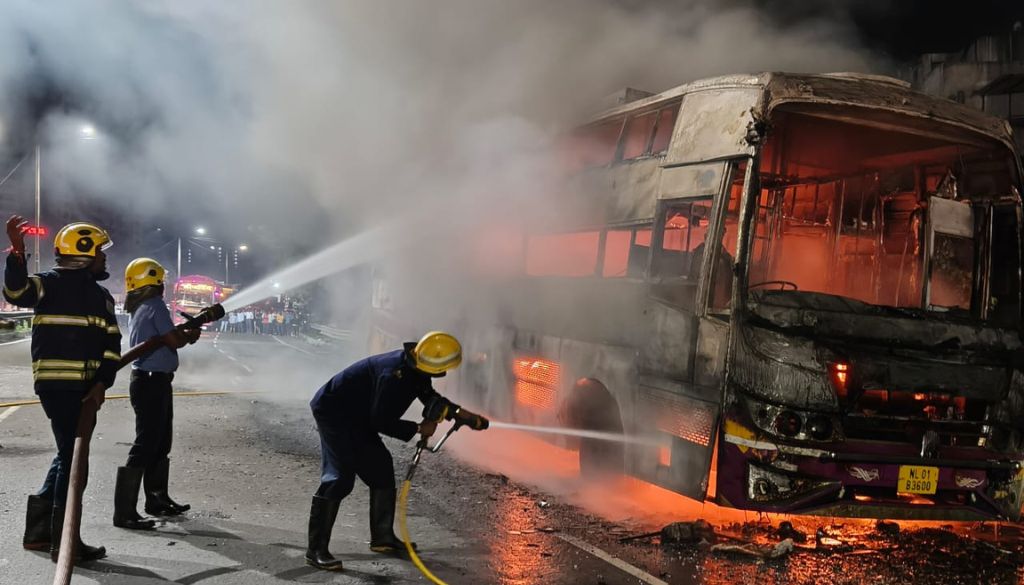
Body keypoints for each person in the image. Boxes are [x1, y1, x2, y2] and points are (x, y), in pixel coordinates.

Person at [305, 331, 488, 571]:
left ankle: (382, 538)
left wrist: (460, 414)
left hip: (359, 415)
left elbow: (428, 395)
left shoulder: (415, 365)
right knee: (340, 477)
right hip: (336, 413)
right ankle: (315, 550)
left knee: (380, 466)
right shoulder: (392, 374)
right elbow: (380, 421)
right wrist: (419, 427)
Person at [5, 216, 121, 563]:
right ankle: (63, 541)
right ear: (84, 251)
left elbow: (112, 346)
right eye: (101, 251)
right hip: (59, 387)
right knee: (73, 460)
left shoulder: (102, 297)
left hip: (85, 390)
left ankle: (41, 534)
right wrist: (16, 252)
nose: (105, 258)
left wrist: (102, 382)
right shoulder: (47, 284)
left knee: (65, 454)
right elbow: (15, 291)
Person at [112, 258, 200, 530]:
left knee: (160, 442)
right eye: (162, 280)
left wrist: (181, 333)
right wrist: (190, 334)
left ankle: (157, 500)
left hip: (152, 381)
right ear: (154, 282)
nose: (165, 285)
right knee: (147, 443)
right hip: (151, 382)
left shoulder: (141, 306)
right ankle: (125, 512)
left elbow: (165, 338)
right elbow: (172, 340)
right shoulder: (156, 306)